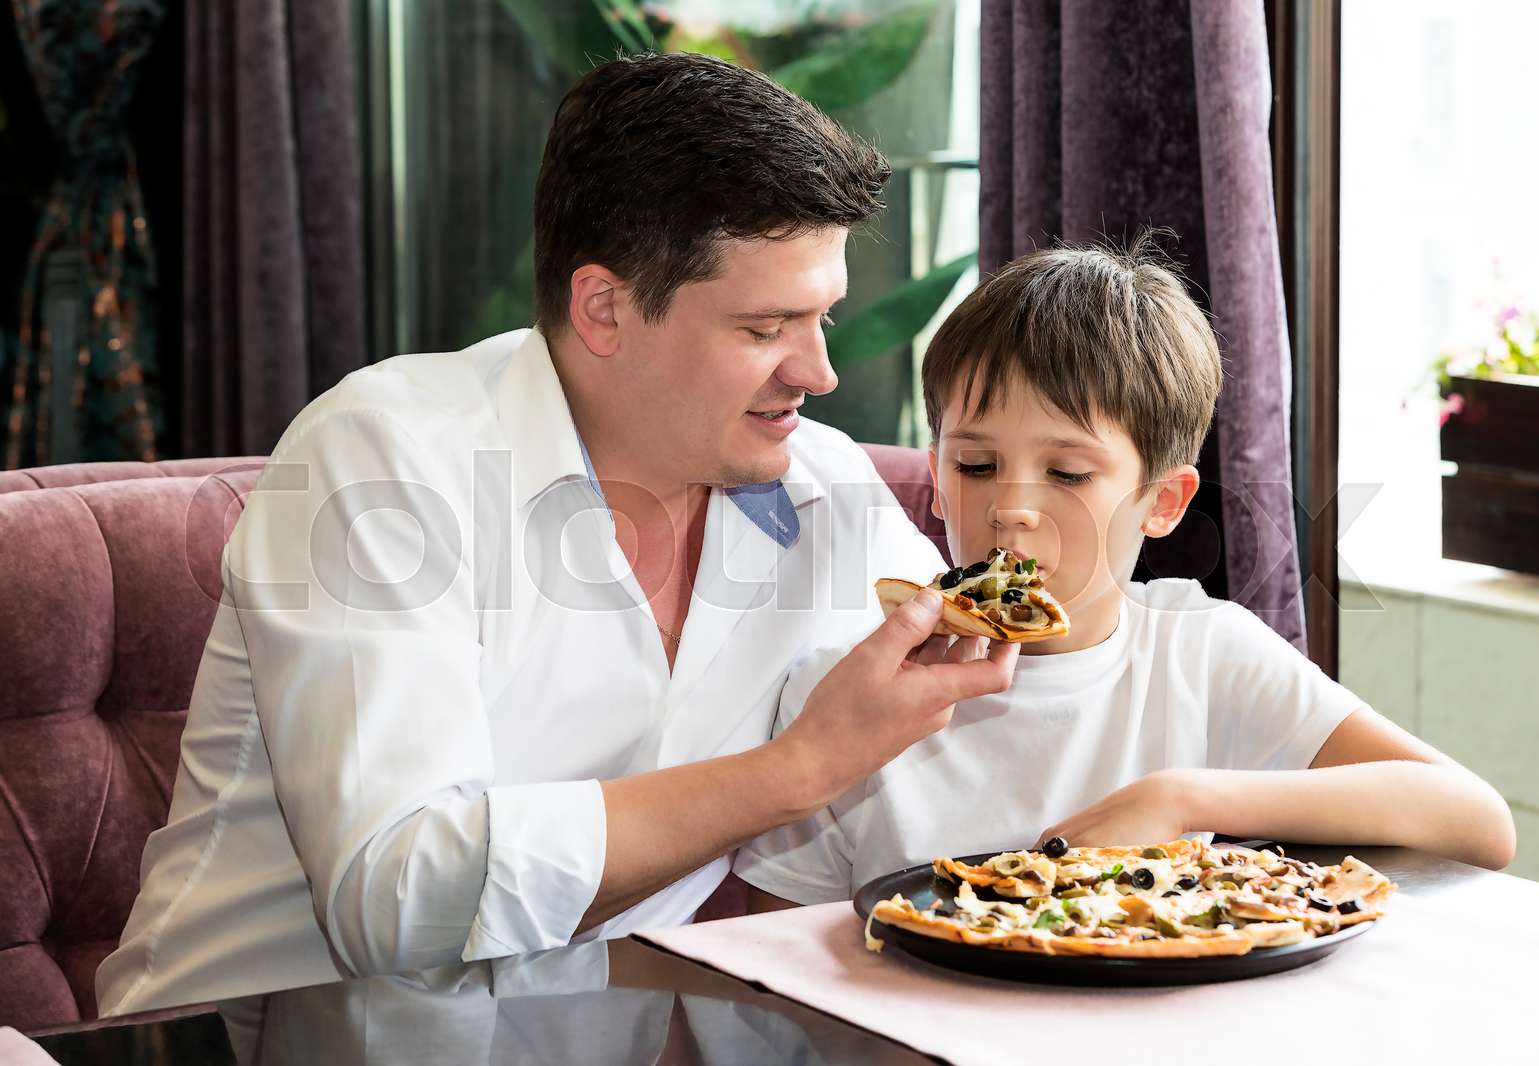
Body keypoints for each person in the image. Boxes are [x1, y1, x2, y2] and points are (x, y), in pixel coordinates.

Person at [95, 52, 1016, 1015]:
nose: (819, 372)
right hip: (239, 1036)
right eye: (764, 327)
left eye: (822, 317)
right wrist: (796, 771)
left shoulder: (821, 485)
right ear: (605, 309)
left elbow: (1004, 692)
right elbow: (393, 899)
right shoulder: (381, 456)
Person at [735, 240, 1516, 908]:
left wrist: (1182, 797)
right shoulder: (842, 694)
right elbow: (765, 980)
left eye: (1068, 474)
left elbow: (1477, 822)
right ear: (935, 477)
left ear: (1162, 502)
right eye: (976, 464)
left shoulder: (1199, 651)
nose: (1012, 510)